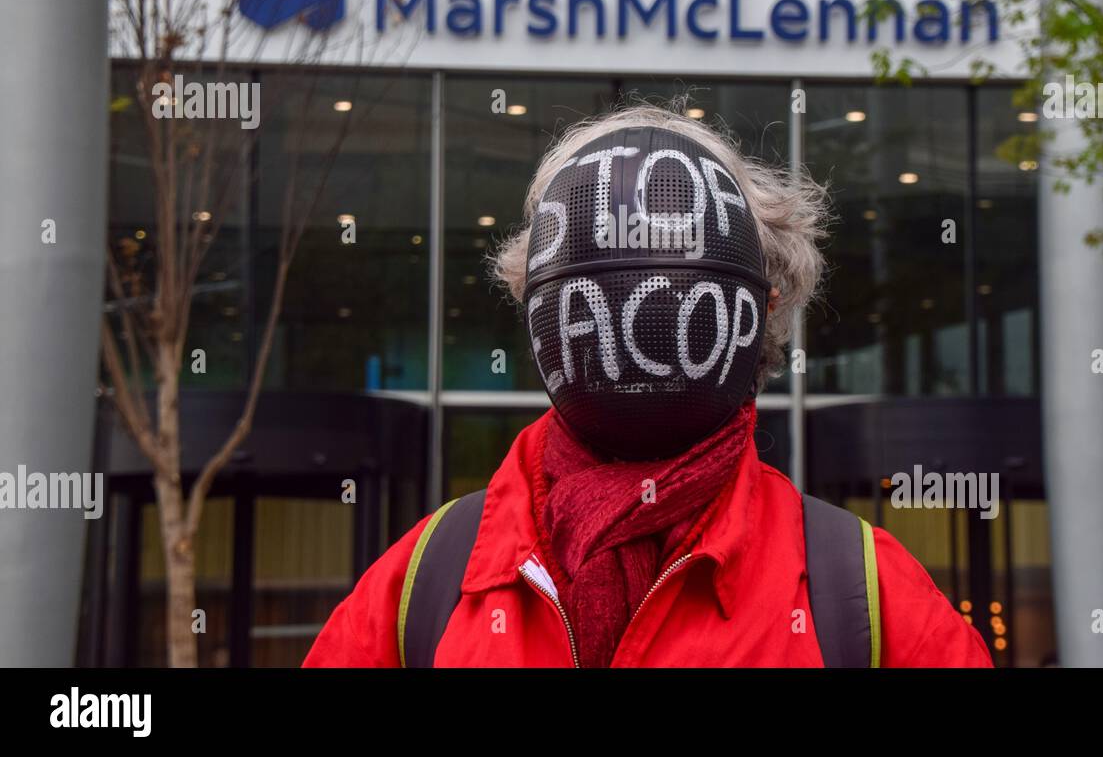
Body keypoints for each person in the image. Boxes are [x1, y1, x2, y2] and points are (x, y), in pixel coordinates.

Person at [303, 106, 992, 668]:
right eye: (600, 266)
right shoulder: (425, 587)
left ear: (764, 308)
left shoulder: (858, 596)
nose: (641, 293)